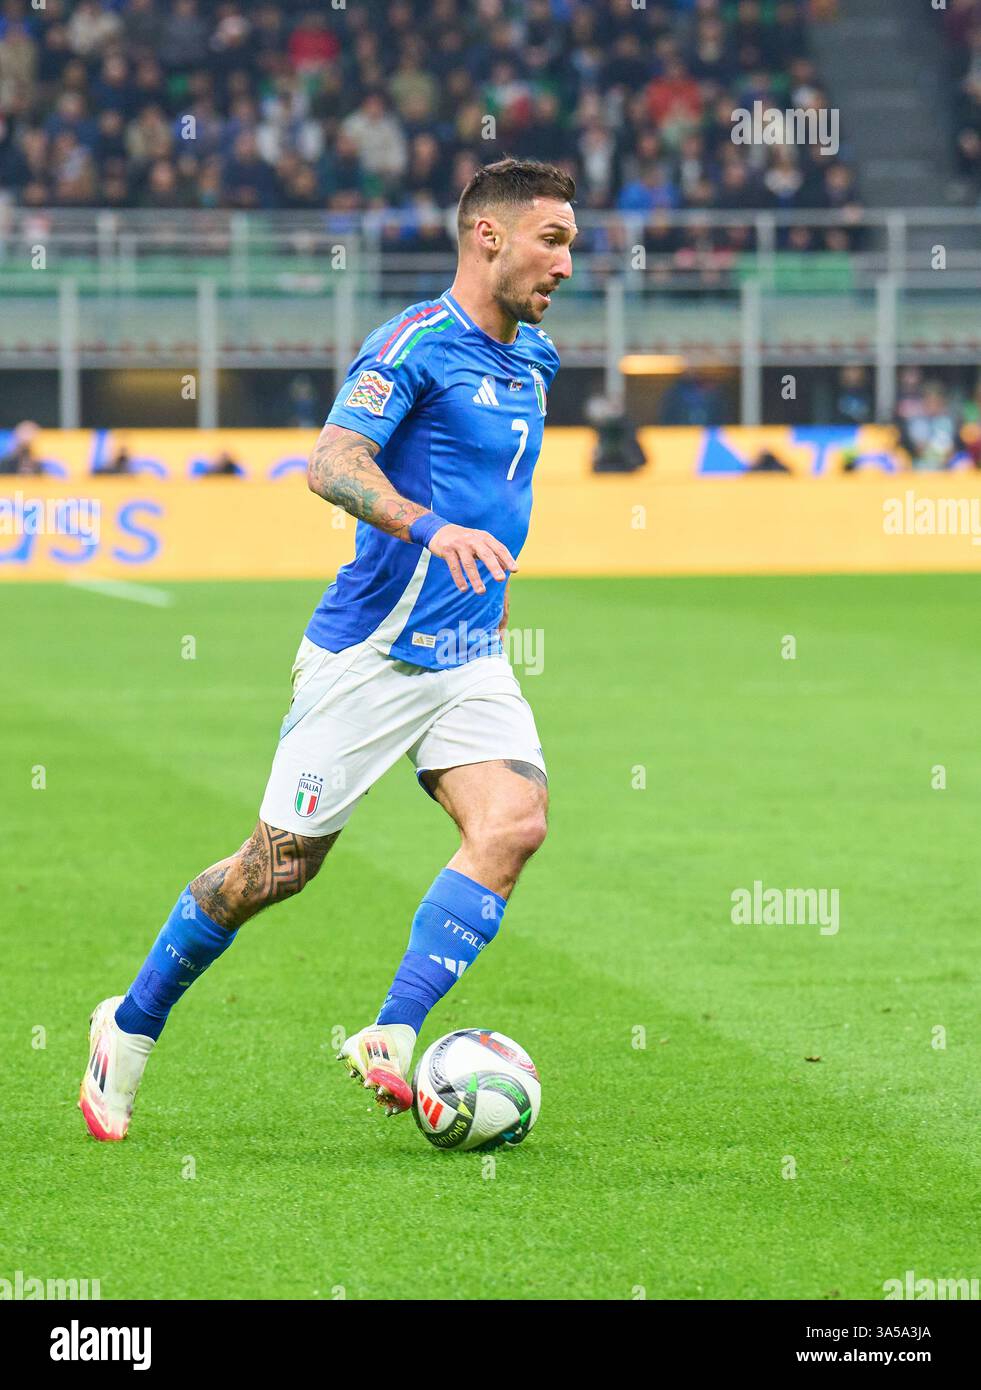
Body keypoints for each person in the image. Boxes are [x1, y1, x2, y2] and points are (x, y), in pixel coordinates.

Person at [79, 158, 577, 1140]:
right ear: (489, 236)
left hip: (468, 654)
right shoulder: (417, 344)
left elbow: (498, 497)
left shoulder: (535, 359)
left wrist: (494, 591)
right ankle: (128, 1025)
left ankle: (393, 1029)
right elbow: (331, 462)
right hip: (372, 656)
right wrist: (429, 529)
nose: (567, 262)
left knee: (514, 822)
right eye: (551, 240)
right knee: (273, 869)